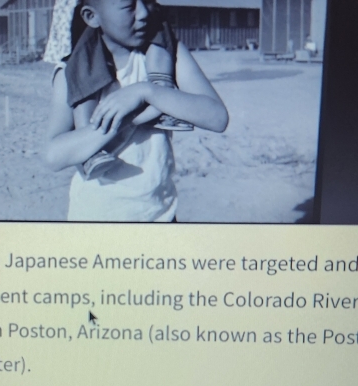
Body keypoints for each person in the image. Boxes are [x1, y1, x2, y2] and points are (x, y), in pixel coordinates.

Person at [45, 0, 229, 222]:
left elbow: (217, 118)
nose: (143, 13)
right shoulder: (70, 73)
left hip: (161, 216)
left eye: (148, 1)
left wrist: (145, 91)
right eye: (128, 6)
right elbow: (53, 156)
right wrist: (128, 117)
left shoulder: (166, 55)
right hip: (96, 220)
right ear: (91, 16)